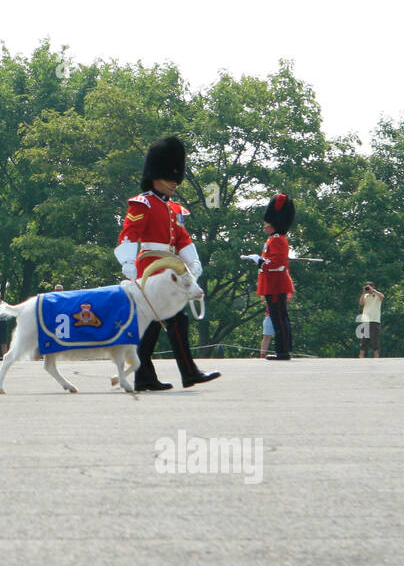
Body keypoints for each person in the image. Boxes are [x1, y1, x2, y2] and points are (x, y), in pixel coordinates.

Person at [114, 136, 220, 391]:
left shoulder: (174, 209)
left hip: (171, 267)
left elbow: (182, 239)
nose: (175, 182)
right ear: (155, 175)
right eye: (169, 176)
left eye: (176, 177)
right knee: (175, 318)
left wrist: (192, 262)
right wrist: (127, 260)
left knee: (153, 325)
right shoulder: (143, 203)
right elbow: (129, 233)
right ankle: (188, 372)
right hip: (151, 268)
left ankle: (144, 376)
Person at [246, 193, 296, 361]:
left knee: (279, 318)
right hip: (272, 284)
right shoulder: (273, 239)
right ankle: (284, 349)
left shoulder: (277, 240)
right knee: (280, 317)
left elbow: (277, 264)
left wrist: (260, 261)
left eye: (267, 223)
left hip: (275, 285)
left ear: (274, 224)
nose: (265, 225)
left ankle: (282, 351)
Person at [358, 282, 385, 358]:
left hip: (375, 320)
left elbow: (382, 297)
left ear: (372, 287)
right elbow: (361, 303)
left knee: (375, 339)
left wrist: (374, 291)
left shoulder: (376, 295)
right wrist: (363, 293)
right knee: (364, 340)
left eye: (369, 287)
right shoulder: (365, 296)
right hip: (366, 320)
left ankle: (376, 357)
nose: (368, 288)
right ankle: (361, 356)